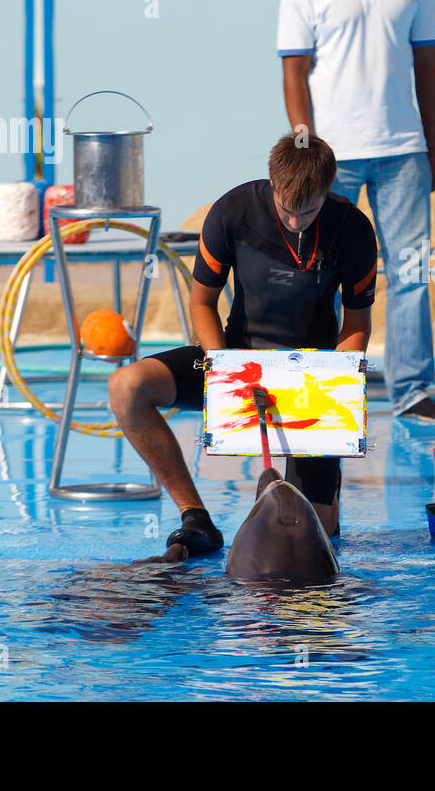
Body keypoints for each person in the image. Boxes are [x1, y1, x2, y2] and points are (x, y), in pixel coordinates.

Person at [108, 133, 377, 553]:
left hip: (311, 377)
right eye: (288, 210)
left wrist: (337, 385)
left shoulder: (353, 229)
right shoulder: (232, 212)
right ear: (273, 183)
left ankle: (310, 501)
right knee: (126, 386)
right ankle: (195, 516)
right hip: (236, 358)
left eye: (308, 211)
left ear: (328, 191)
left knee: (317, 539)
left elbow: (357, 322)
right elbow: (202, 302)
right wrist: (222, 368)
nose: (296, 222)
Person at [277, 0, 435, 423]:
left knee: (410, 269)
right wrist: (305, 147)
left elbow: (429, 63)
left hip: (403, 151)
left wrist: (433, 143)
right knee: (319, 270)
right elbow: (294, 71)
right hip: (333, 156)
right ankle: (320, 384)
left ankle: (412, 391)